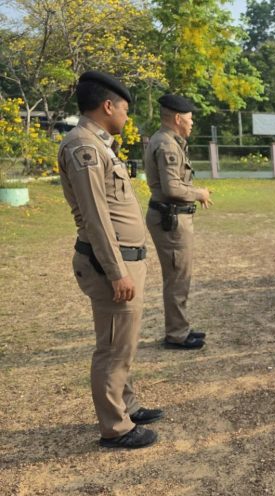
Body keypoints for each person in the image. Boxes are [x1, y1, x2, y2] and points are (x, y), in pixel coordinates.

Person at [59, 71, 162, 449]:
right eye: (124, 109)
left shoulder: (99, 144)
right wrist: (117, 271)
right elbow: (96, 217)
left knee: (124, 342)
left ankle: (126, 404)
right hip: (110, 264)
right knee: (113, 346)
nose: (126, 117)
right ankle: (115, 427)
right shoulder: (83, 147)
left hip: (124, 260)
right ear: (107, 106)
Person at [144, 94, 213, 350]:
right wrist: (199, 193)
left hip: (172, 216)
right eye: (189, 118)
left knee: (179, 275)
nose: (192, 123)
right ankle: (176, 334)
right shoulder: (166, 144)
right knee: (177, 277)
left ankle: (180, 326)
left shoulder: (169, 141)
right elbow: (172, 187)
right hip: (170, 218)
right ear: (177, 118)